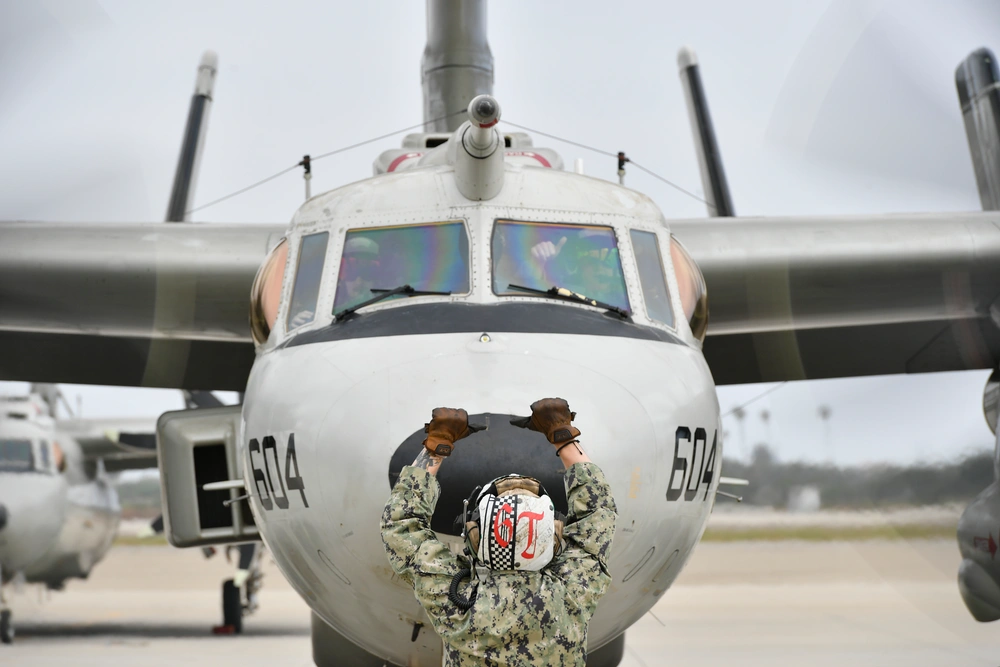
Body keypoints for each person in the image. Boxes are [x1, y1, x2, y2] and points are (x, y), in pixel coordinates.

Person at [380, 398, 617, 666]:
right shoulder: (572, 596)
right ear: (551, 535)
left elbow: (401, 524)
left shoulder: (459, 604)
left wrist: (436, 447)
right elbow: (599, 513)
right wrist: (564, 439)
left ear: (476, 536)